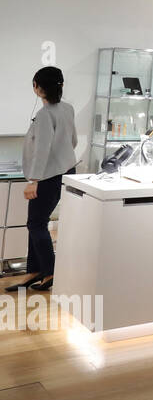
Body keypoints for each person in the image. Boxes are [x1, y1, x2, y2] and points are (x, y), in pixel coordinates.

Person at [7, 67, 78, 293]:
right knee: (37, 222)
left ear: (37, 88)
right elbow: (73, 141)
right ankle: (35, 271)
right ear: (61, 85)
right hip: (65, 171)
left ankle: (49, 272)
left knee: (36, 224)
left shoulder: (46, 115)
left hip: (47, 176)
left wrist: (34, 180)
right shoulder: (67, 109)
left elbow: (42, 148)